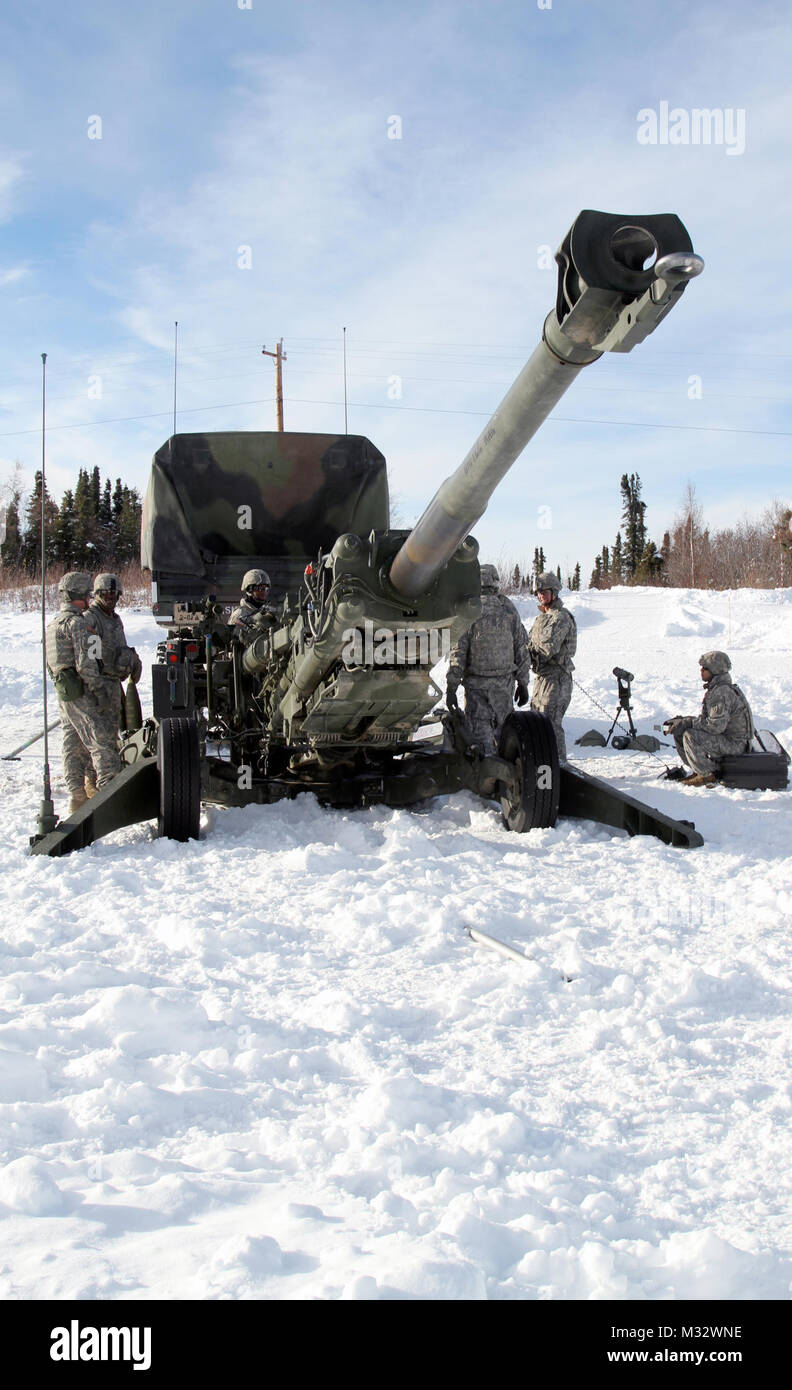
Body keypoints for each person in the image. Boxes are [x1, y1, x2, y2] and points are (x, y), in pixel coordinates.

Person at [45, 572, 123, 815]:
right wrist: (98, 690)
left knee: (72, 743)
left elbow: (51, 664)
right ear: (81, 595)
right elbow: (87, 664)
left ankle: (78, 795)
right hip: (83, 691)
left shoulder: (53, 624)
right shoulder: (79, 623)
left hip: (66, 692)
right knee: (101, 741)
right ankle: (110, 797)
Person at [446, 563, 531, 756]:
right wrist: (523, 683)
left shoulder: (469, 609)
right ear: (495, 582)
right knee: (506, 738)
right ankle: (506, 778)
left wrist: (452, 685)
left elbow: (458, 651)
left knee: (480, 745)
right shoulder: (508, 608)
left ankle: (487, 780)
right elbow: (521, 648)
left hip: (477, 689)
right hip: (503, 685)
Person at [664, 651, 754, 786]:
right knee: (681, 731)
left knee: (690, 735)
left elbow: (715, 726)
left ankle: (706, 775)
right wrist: (683, 722)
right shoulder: (718, 689)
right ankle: (699, 770)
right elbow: (711, 721)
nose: (701, 670)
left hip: (735, 744)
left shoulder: (721, 692)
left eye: (705, 668)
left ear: (715, 670)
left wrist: (688, 723)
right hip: (729, 739)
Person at [87, 573, 143, 742]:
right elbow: (91, 659)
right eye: (105, 594)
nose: (110, 598)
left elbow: (119, 647)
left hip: (114, 686)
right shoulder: (92, 619)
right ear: (97, 594)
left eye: (114, 595)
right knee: (104, 740)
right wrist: (97, 689)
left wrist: (132, 659)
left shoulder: (114, 619)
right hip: (100, 688)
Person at [527, 571, 577, 761]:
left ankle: (559, 769)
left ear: (554, 593)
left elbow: (546, 649)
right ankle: (542, 770)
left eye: (545, 592)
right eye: (538, 592)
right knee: (538, 725)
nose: (541, 595)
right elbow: (530, 644)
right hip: (542, 678)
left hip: (557, 678)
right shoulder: (541, 618)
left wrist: (524, 657)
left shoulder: (560, 618)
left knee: (551, 726)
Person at [229, 569, 277, 645]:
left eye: (265, 589)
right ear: (249, 589)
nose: (263, 592)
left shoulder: (268, 612)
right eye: (260, 589)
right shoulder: (240, 614)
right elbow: (235, 643)